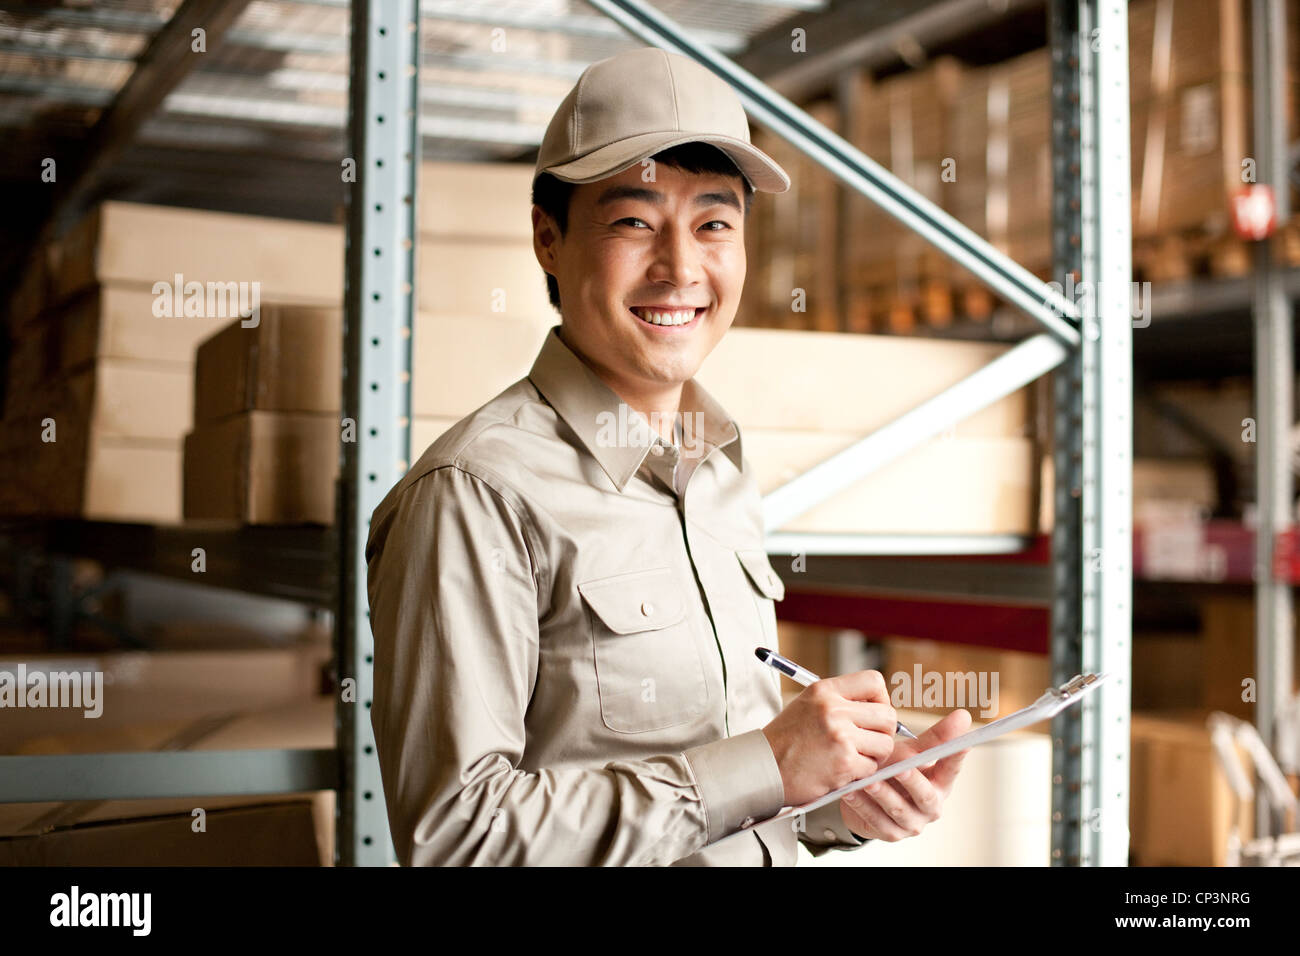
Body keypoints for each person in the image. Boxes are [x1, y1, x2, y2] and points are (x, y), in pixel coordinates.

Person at [366, 46, 971, 866]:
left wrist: (834, 802)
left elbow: (729, 800)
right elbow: (457, 837)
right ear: (549, 239)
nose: (682, 267)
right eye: (634, 222)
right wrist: (764, 762)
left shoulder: (719, 471)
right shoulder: (476, 493)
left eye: (714, 224)